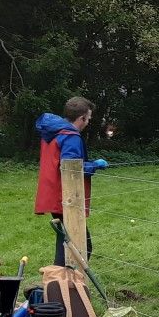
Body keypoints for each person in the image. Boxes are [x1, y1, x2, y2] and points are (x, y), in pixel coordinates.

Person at [33, 96, 107, 267]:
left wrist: (88, 164)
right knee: (81, 246)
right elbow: (70, 168)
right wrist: (94, 165)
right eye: (88, 118)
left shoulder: (53, 132)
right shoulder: (70, 137)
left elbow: (61, 162)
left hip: (54, 194)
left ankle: (60, 285)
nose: (88, 122)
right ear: (81, 118)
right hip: (66, 197)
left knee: (66, 241)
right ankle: (64, 284)